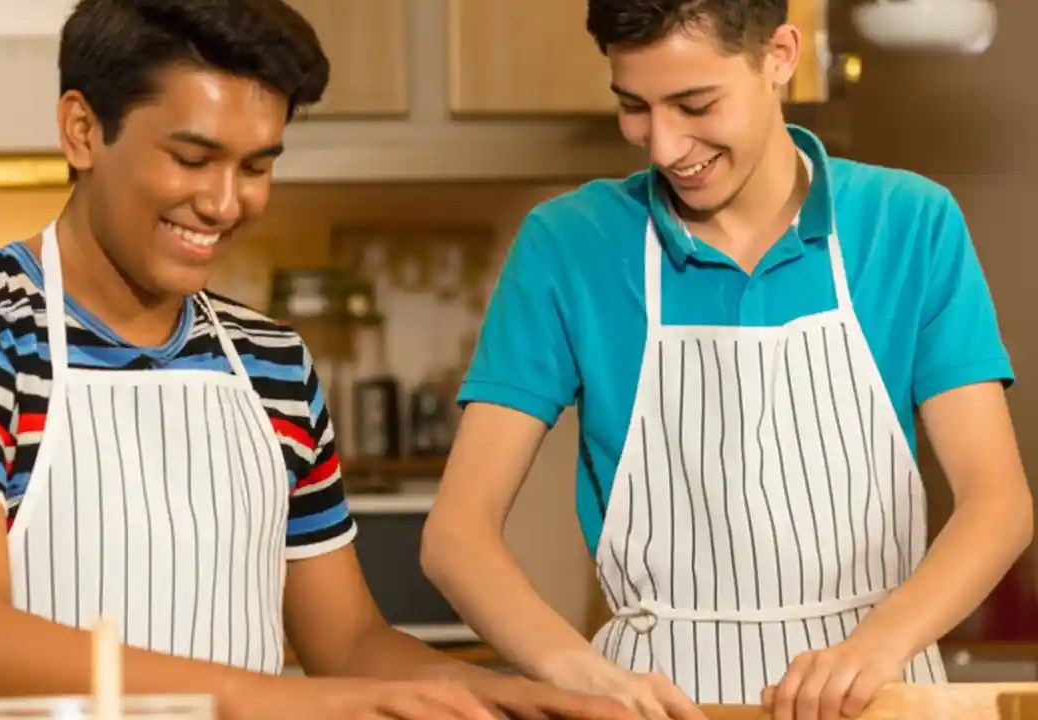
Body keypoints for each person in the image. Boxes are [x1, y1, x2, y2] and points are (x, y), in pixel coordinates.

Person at [0, 2, 643, 719]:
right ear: (82, 131)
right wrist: (258, 699)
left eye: (257, 166)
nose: (227, 203)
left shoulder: (271, 364)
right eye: (193, 159)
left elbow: (349, 645)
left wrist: (502, 692)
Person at [419, 1, 1033, 720]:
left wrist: (873, 649)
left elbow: (998, 503)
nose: (664, 147)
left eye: (695, 103)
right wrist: (577, 672)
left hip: (876, 691)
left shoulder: (908, 224)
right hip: (656, 701)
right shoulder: (569, 245)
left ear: (779, 55)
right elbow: (456, 535)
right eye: (634, 107)